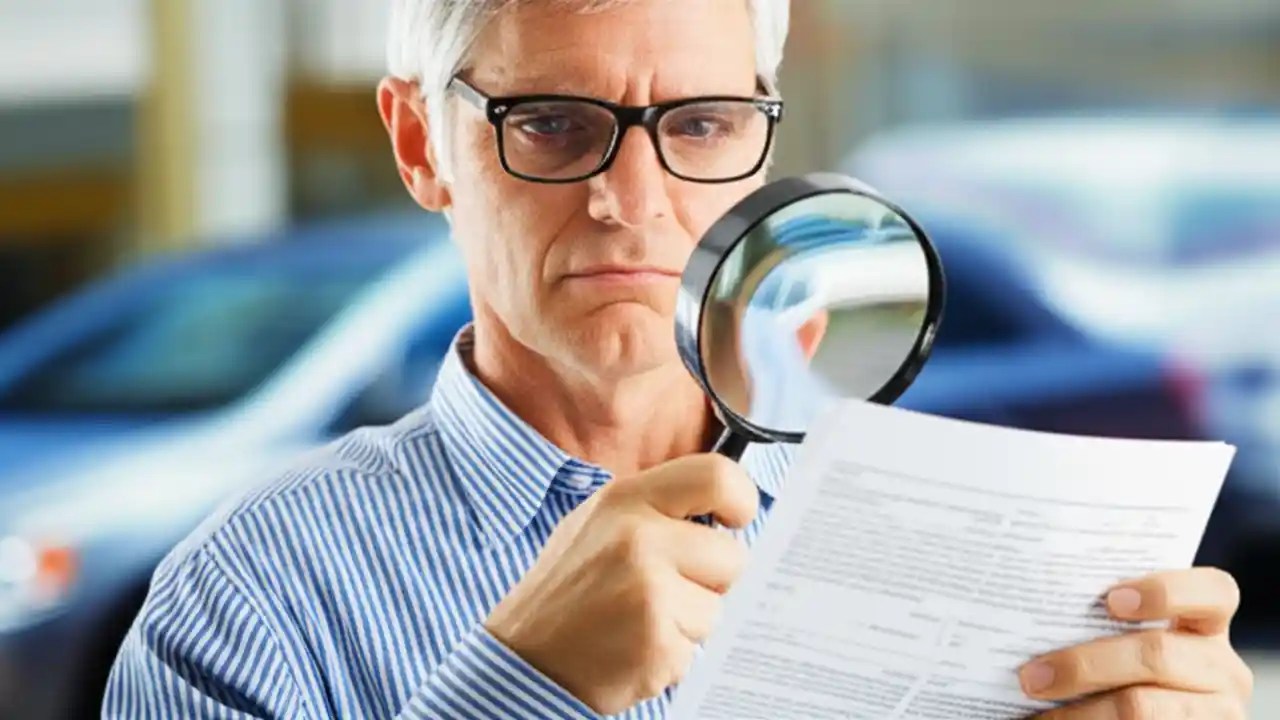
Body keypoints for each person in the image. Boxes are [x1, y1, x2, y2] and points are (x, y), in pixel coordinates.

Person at [103, 1, 1253, 718]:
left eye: (699, 124)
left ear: (760, 141)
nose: (630, 201)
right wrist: (524, 690)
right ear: (420, 145)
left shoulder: (960, 547)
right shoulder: (242, 601)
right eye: (551, 123)